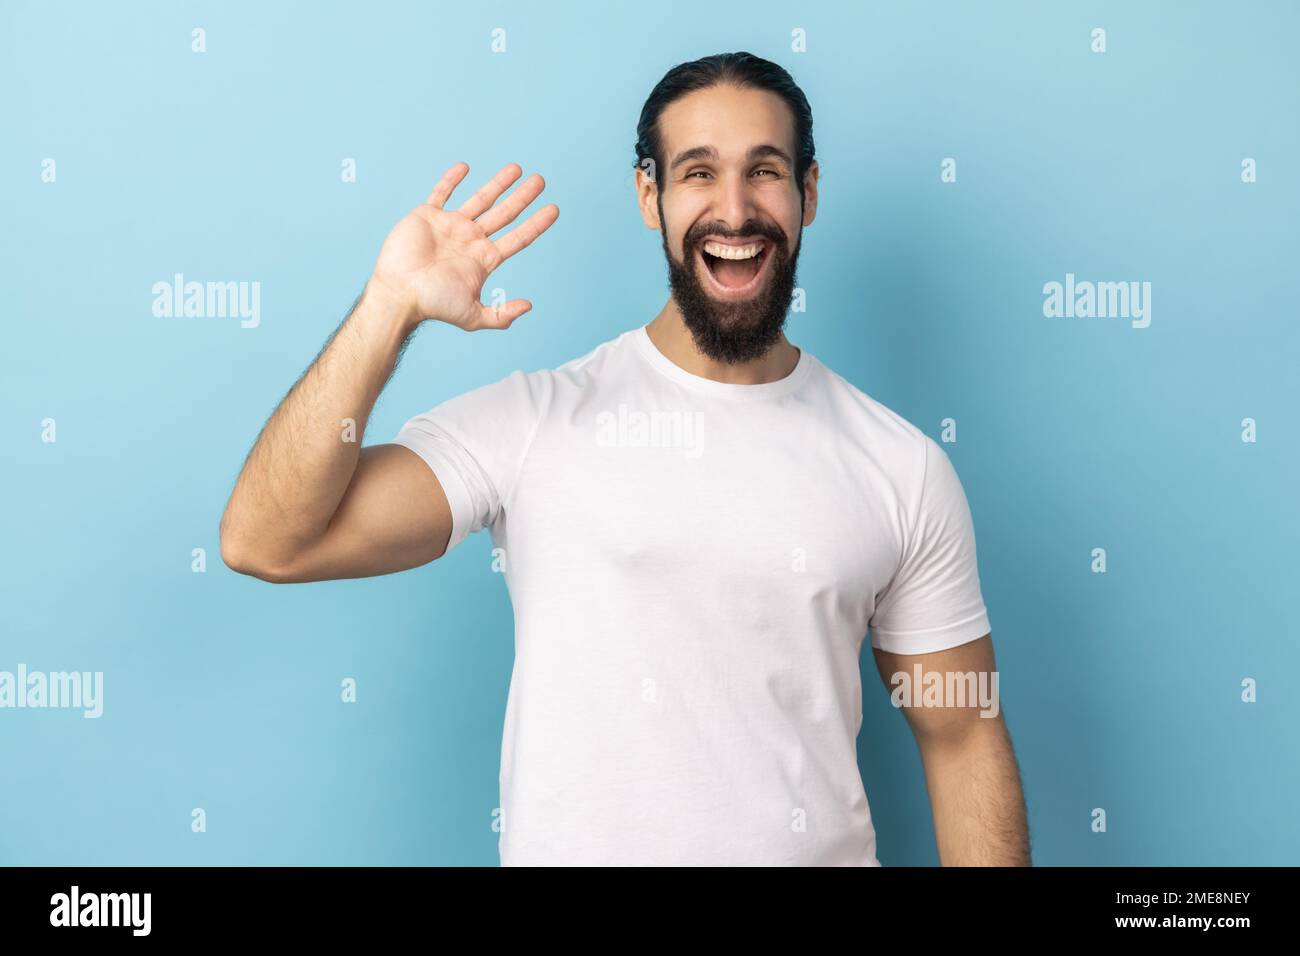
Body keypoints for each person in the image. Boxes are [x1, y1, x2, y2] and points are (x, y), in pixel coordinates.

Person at [220, 51, 1031, 866]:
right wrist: (389, 308)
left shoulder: (901, 466)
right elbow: (267, 540)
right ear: (652, 197)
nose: (736, 208)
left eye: (766, 171)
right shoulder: (536, 422)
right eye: (698, 173)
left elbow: (962, 737)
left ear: (808, 193)